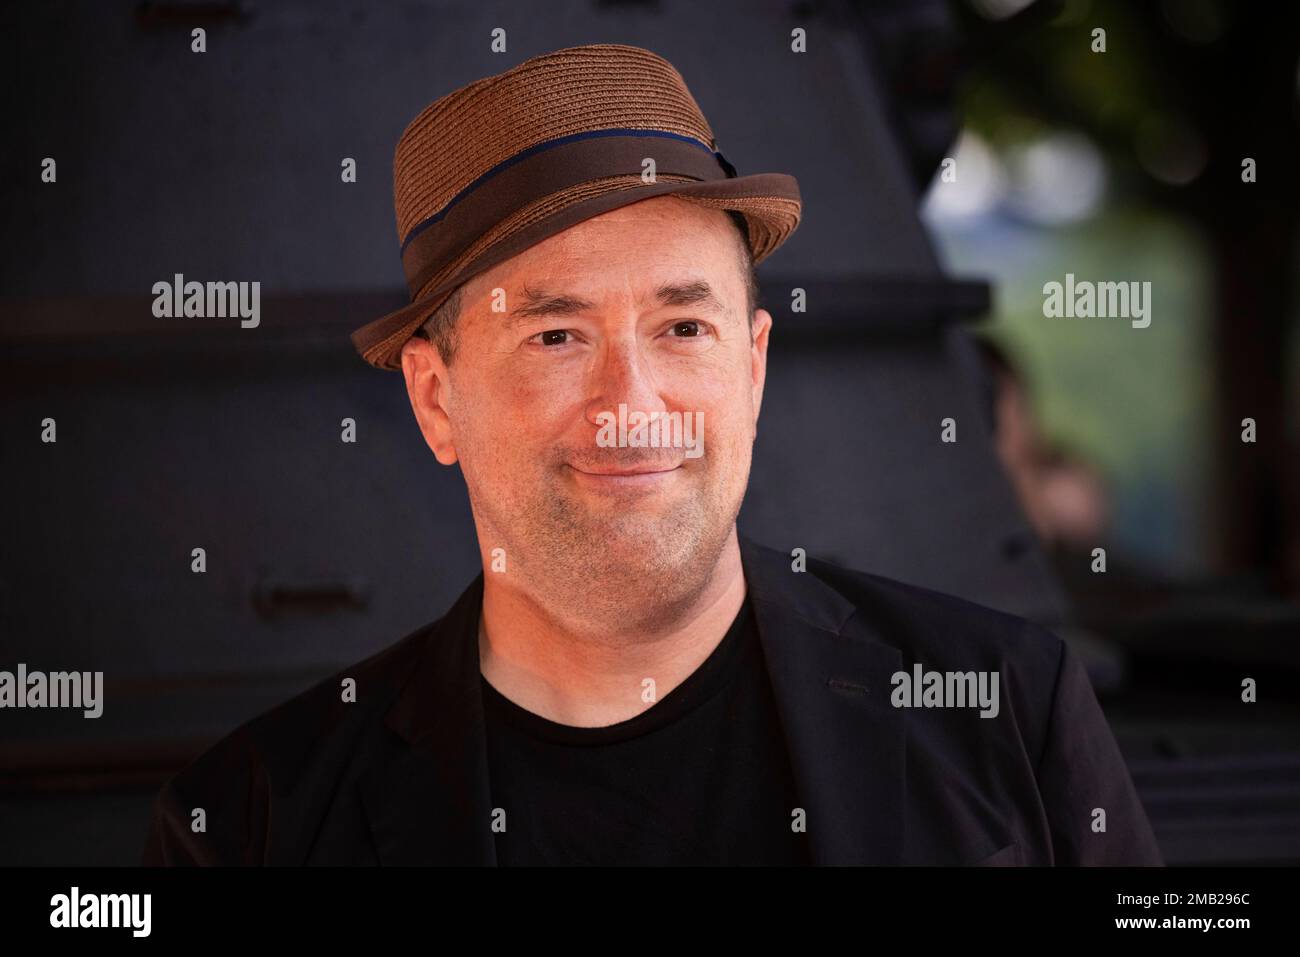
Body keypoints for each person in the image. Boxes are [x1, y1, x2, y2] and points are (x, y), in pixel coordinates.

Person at [141, 43, 1161, 866]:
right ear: (434, 398)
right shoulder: (251, 826)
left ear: (752, 370)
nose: (630, 405)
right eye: (555, 336)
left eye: (682, 328)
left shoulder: (1007, 710)